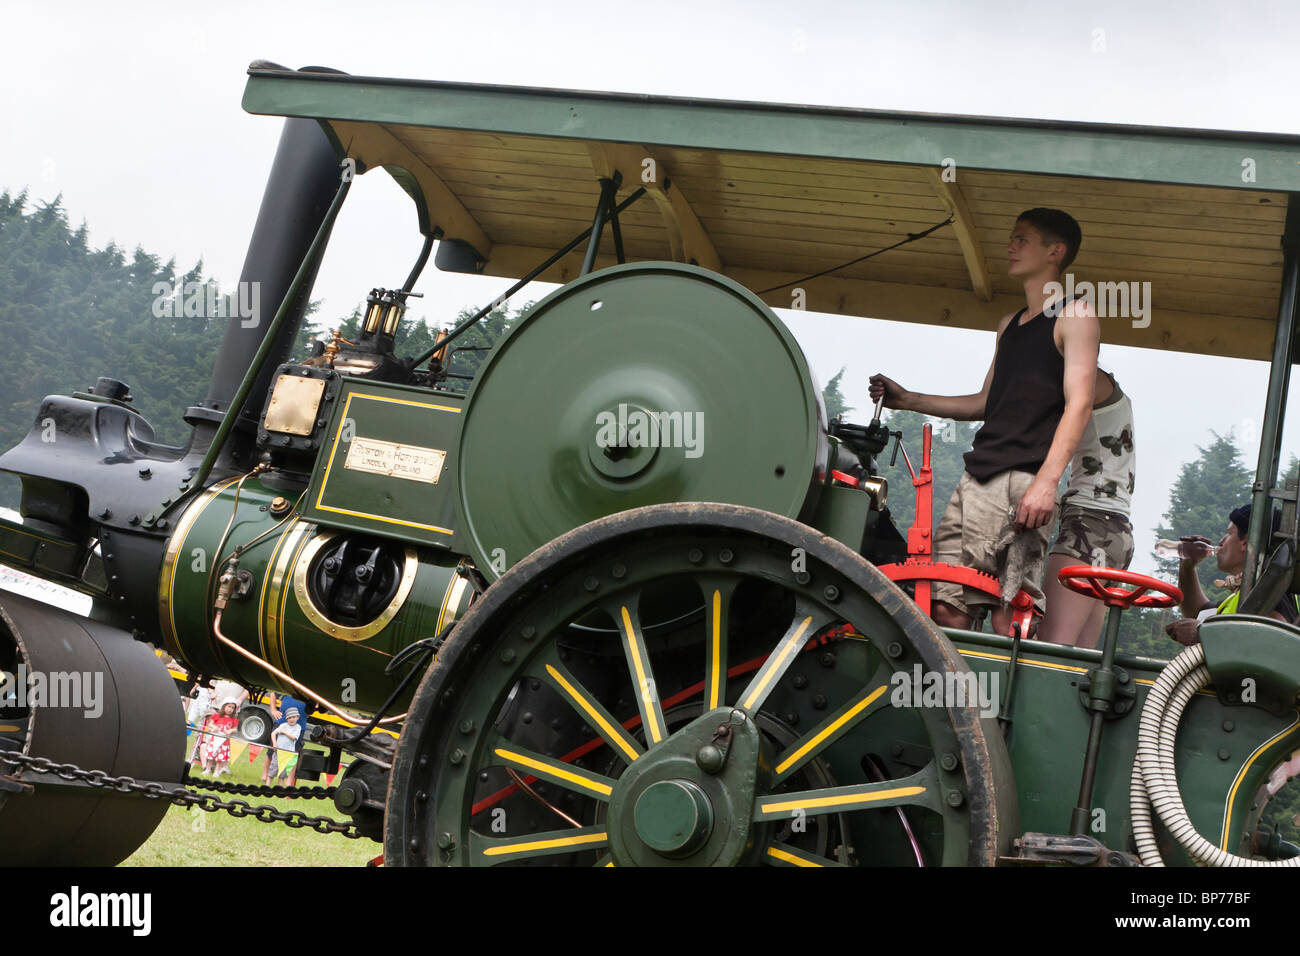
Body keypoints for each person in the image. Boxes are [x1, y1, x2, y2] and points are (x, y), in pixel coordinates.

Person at [870, 208, 1099, 633]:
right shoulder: (1009, 324)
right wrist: (909, 399)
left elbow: (1080, 404)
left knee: (1008, 612)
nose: (1010, 247)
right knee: (944, 607)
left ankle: (1002, 699)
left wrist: (1046, 484)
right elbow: (984, 402)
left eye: (1022, 239)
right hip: (975, 477)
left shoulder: (1076, 315)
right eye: (1011, 239)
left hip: (1022, 483)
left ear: (1055, 251)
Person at [1038, 369, 1136, 647]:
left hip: (1090, 522)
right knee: (1081, 651)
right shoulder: (1109, 393)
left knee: (1052, 645)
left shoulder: (1091, 381)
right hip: (1115, 529)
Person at [1166, 503, 1299, 646]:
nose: (1221, 541)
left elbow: (1275, 640)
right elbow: (1197, 613)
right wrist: (1187, 566)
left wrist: (1201, 634)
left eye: (1229, 533)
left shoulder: (1270, 591)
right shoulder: (1250, 591)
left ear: (1245, 542)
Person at [199, 697, 239, 776]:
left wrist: (230, 730)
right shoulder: (217, 716)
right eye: (229, 706)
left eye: (232, 708)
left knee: (220, 757)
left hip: (224, 741)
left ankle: (216, 771)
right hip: (214, 739)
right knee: (211, 755)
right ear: (224, 706)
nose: (230, 709)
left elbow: (235, 729)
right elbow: (210, 724)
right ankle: (208, 769)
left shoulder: (234, 719)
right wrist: (214, 728)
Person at [267, 707, 303, 785]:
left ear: (297, 717)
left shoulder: (298, 727)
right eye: (289, 717)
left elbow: (294, 738)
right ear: (286, 719)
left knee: (283, 772)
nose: (291, 719)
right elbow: (273, 733)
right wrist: (274, 744)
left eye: (293, 717)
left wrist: (285, 732)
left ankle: (280, 787)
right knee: (273, 768)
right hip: (278, 751)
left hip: (288, 753)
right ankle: (267, 784)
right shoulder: (283, 725)